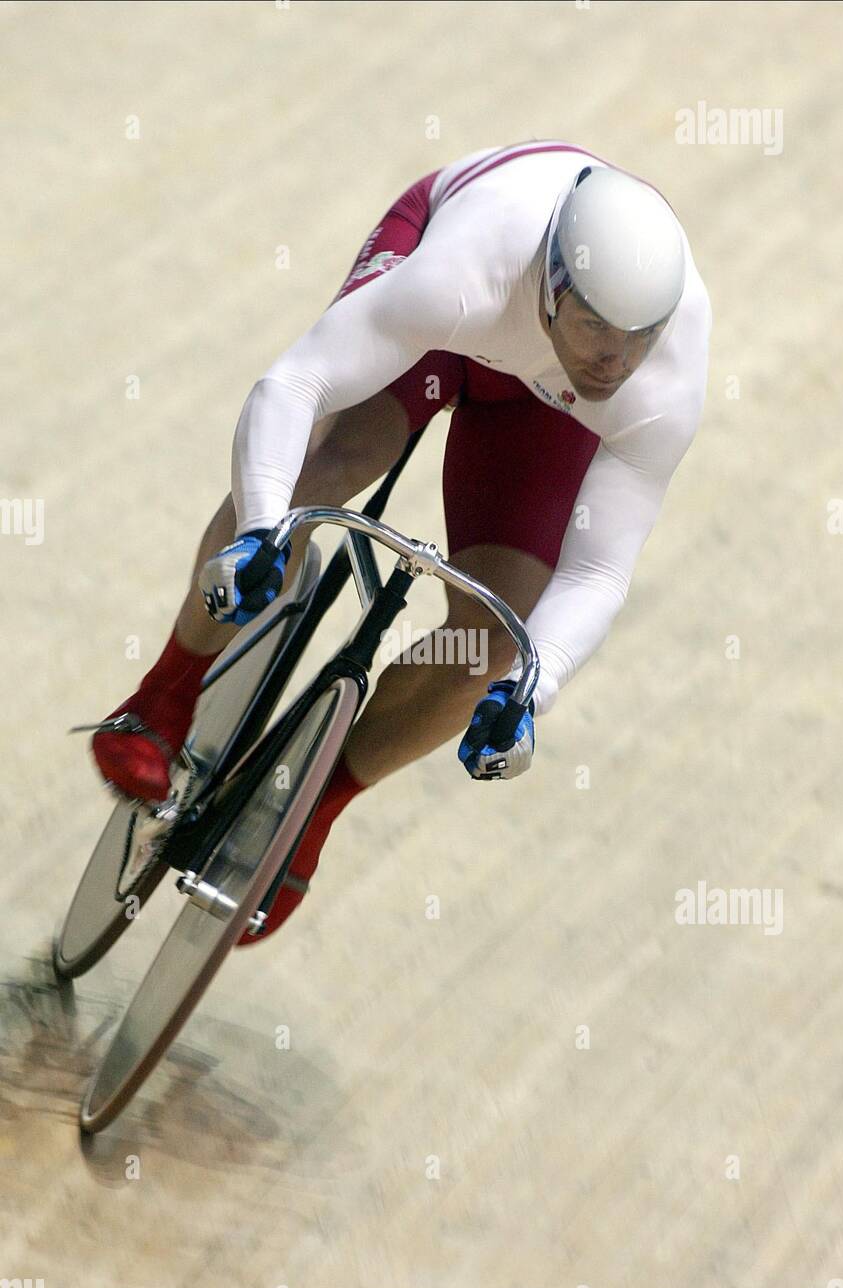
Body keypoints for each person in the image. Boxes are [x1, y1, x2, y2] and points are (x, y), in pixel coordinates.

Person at [90, 140, 711, 945]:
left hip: (540, 403)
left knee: (490, 648)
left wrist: (532, 691)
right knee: (329, 467)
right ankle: (165, 694)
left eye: (637, 336)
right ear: (553, 289)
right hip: (446, 327)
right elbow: (296, 382)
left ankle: (305, 811)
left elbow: (598, 571)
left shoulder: (657, 379)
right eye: (596, 326)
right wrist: (259, 530)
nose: (614, 359)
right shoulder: (467, 266)